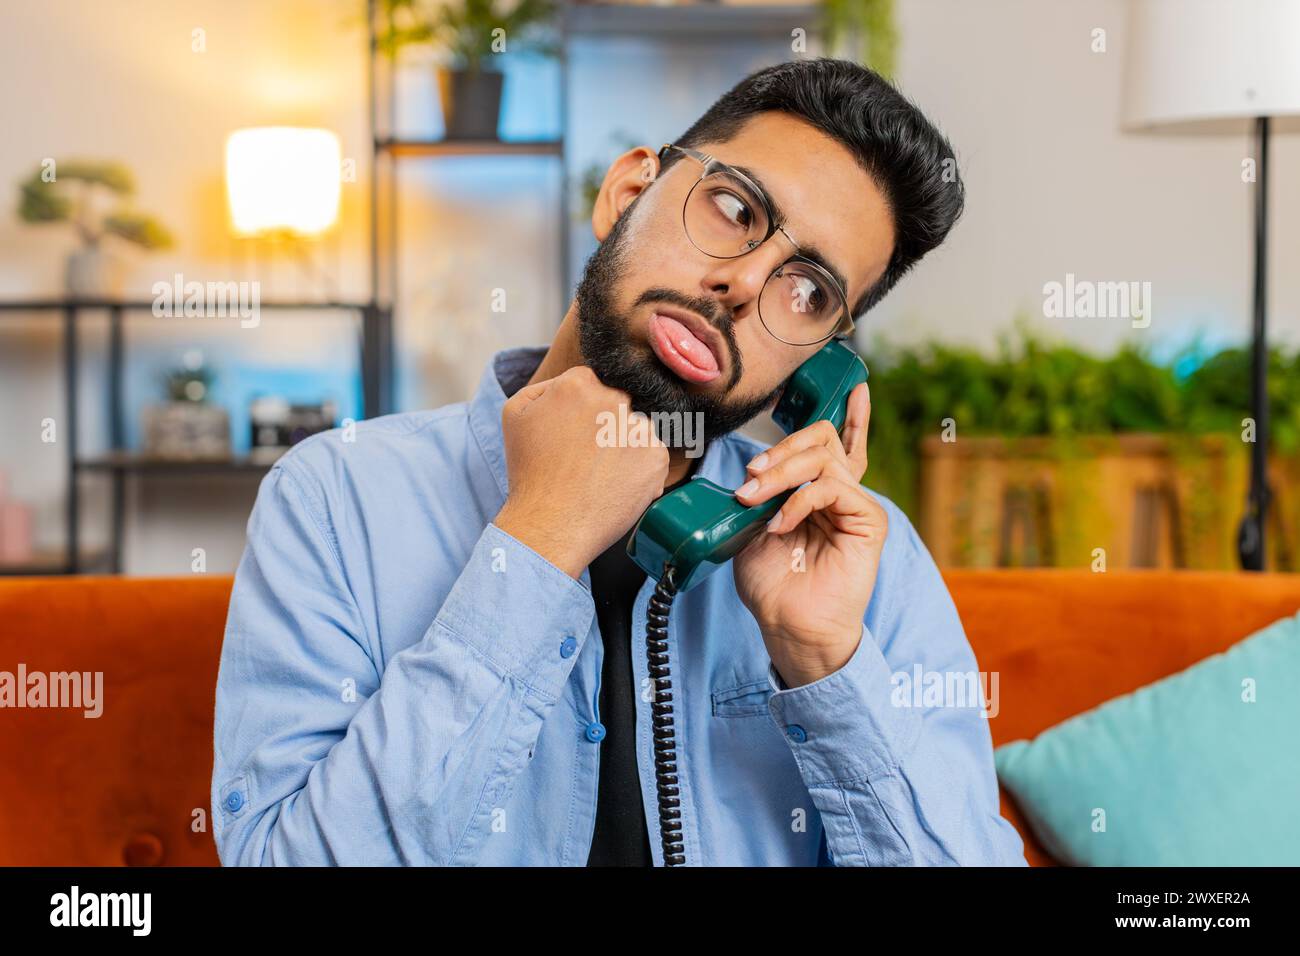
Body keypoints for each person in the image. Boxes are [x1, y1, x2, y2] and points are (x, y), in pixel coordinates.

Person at [212, 57, 1027, 866]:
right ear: (629, 192)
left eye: (808, 291)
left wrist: (821, 658)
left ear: (817, 363)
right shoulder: (333, 498)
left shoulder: (864, 565)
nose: (742, 285)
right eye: (735, 209)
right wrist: (538, 543)